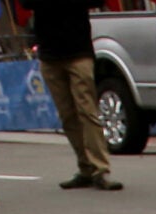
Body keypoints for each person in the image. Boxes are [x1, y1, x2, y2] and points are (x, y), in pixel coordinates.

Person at [29, 0, 120, 191]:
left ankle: (100, 169)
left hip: (78, 52)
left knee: (87, 112)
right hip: (50, 54)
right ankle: (85, 167)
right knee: (67, 115)